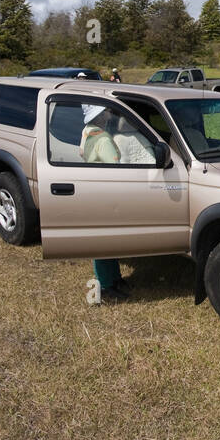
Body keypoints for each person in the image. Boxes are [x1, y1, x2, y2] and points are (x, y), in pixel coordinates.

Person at [80, 104, 128, 302]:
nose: (110, 113)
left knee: (104, 240)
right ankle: (107, 285)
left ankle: (113, 279)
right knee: (106, 243)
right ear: (100, 116)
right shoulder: (104, 140)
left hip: (94, 191)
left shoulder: (87, 133)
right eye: (106, 111)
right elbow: (115, 168)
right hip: (106, 194)